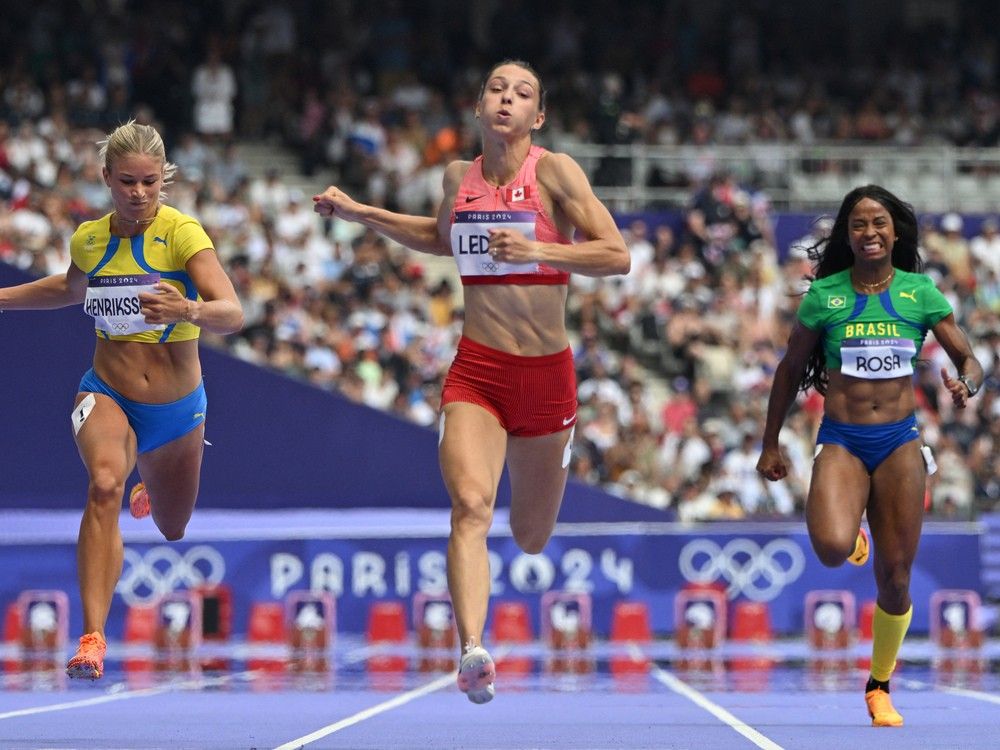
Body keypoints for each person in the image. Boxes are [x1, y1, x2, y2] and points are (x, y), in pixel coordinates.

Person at [314, 59, 629, 703]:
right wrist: (358, 214)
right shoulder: (458, 177)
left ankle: (535, 502)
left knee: (531, 536)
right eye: (496, 89)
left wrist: (541, 250)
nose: (506, 99)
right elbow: (437, 237)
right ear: (479, 106)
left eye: (521, 94)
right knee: (470, 508)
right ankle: (472, 651)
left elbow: (616, 255)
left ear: (536, 116)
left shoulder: (557, 172)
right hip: (478, 372)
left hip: (547, 378)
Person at [0, 120, 244, 679]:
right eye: (127, 182)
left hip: (178, 410)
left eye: (150, 183)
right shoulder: (90, 239)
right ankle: (92, 637)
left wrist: (188, 310)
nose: (139, 194)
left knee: (172, 527)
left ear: (164, 182)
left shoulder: (184, 235)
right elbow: (68, 289)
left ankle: (149, 487)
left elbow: (232, 312)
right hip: (106, 390)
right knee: (103, 483)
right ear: (107, 178)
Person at [756, 185, 983, 727]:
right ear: (847, 236)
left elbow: (969, 358)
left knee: (897, 578)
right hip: (843, 439)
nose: (870, 232)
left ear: (895, 231)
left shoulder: (919, 292)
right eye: (858, 224)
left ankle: (879, 685)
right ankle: (856, 539)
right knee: (833, 547)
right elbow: (790, 370)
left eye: (879, 222)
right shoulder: (825, 296)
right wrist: (769, 441)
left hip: (901, 443)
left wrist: (968, 385)